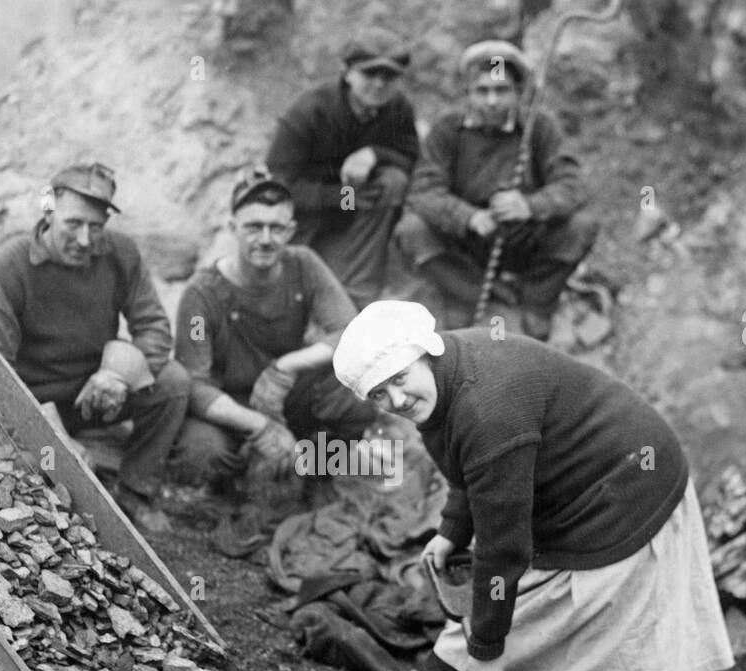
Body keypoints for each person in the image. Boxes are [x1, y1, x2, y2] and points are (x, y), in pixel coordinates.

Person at [315, 301, 734, 671]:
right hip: (576, 487)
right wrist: (450, 529)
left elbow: (504, 549)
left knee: (615, 656)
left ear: (425, 351)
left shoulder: (488, 406)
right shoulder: (445, 381)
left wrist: (489, 652)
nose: (396, 400)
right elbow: (469, 469)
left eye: (399, 380)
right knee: (487, 625)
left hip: (629, 495)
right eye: (379, 395)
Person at [0, 163, 188, 533]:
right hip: (31, 405)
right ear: (49, 211)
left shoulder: (121, 254)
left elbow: (153, 329)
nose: (86, 240)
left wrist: (116, 375)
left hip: (96, 395)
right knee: (37, 509)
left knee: (173, 382)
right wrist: (57, 437)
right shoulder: (5, 270)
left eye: (96, 226)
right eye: (73, 224)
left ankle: (136, 490)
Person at [170, 166, 378, 498]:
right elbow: (192, 384)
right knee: (201, 454)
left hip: (286, 394)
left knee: (355, 394)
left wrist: (286, 367)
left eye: (276, 228)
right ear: (232, 227)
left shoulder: (303, 265)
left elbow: (350, 331)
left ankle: (313, 470)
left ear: (291, 230)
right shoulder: (201, 295)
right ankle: (235, 484)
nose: (265, 239)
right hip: (229, 405)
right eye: (253, 227)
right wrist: (260, 426)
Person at [395, 40, 599, 338]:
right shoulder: (447, 130)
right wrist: (468, 217)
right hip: (467, 244)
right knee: (412, 230)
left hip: (526, 239)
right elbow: (423, 191)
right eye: (482, 91)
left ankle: (537, 302)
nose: (492, 101)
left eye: (501, 90)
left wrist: (531, 206)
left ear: (518, 93)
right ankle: (469, 296)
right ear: (468, 93)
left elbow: (572, 185)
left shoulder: (538, 128)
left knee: (582, 225)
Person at [266, 27, 419, 309]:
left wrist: (374, 153)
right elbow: (279, 186)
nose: (379, 84)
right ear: (347, 72)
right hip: (307, 214)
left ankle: (360, 298)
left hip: (358, 215)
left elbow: (412, 157)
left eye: (389, 76)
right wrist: (342, 197)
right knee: (294, 293)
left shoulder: (397, 108)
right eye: (369, 73)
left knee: (393, 180)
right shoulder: (309, 111)